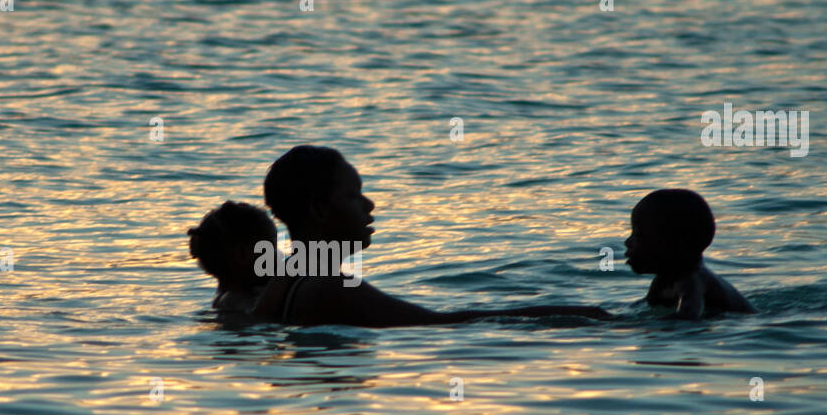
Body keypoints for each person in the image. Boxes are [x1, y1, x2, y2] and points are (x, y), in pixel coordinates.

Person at [251, 145, 612, 327]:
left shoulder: (286, 277)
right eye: (352, 195)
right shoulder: (329, 285)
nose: (369, 204)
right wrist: (576, 316)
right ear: (318, 211)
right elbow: (439, 326)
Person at [624, 188, 755, 319]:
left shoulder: (690, 280)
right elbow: (646, 307)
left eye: (638, 235)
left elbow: (688, 318)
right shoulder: (664, 279)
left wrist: (616, 323)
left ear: (676, 243)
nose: (627, 242)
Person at [187, 201, 278, 314]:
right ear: (242, 254)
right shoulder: (234, 301)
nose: (276, 256)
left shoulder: (224, 297)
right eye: (271, 248)